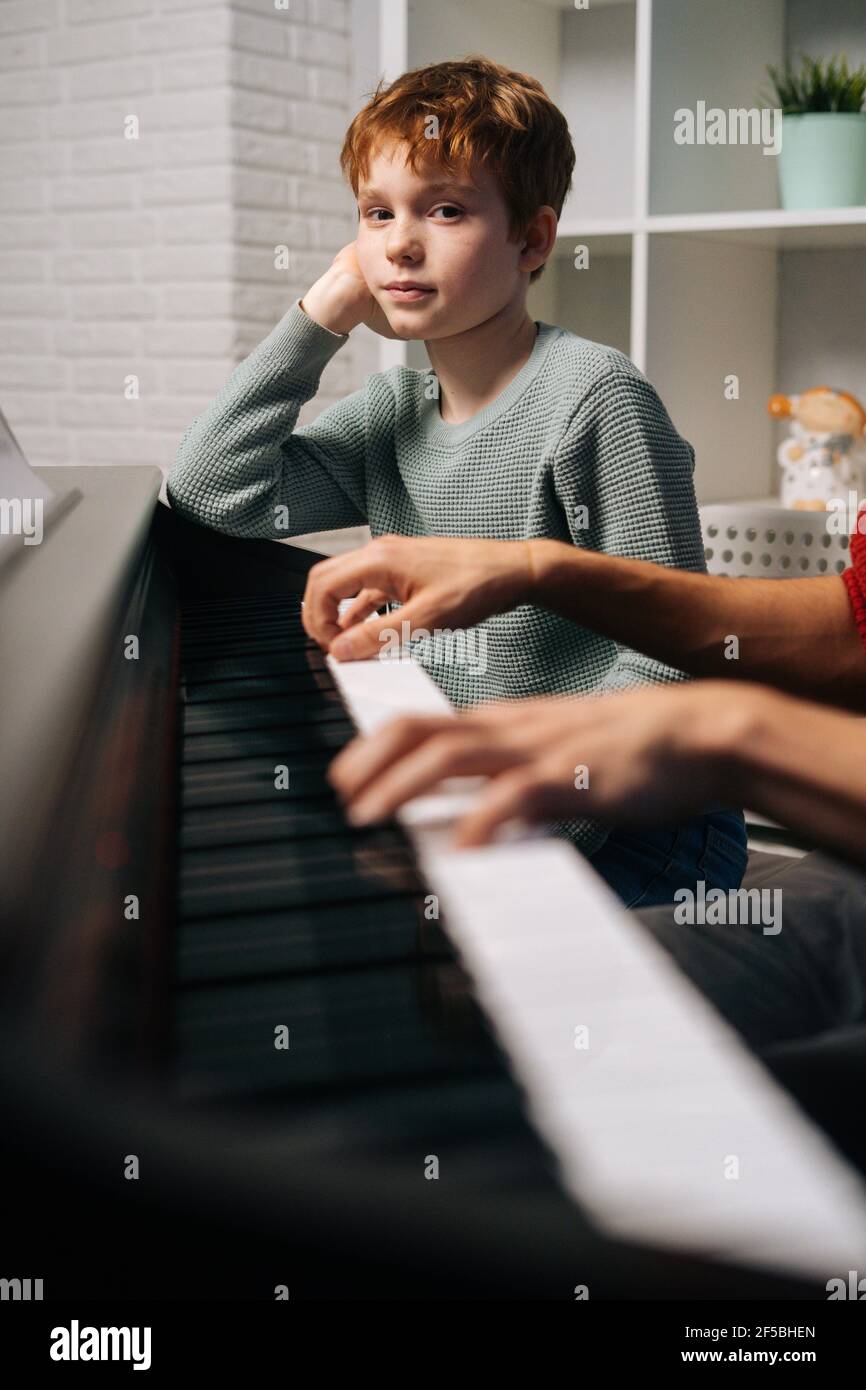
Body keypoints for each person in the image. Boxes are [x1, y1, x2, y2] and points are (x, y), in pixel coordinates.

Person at [165, 54, 746, 909]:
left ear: (532, 238)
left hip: (642, 823)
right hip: (500, 788)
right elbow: (212, 491)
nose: (400, 243)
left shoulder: (594, 397)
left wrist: (525, 835)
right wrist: (322, 312)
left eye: (445, 210)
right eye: (376, 213)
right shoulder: (392, 411)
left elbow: (668, 658)